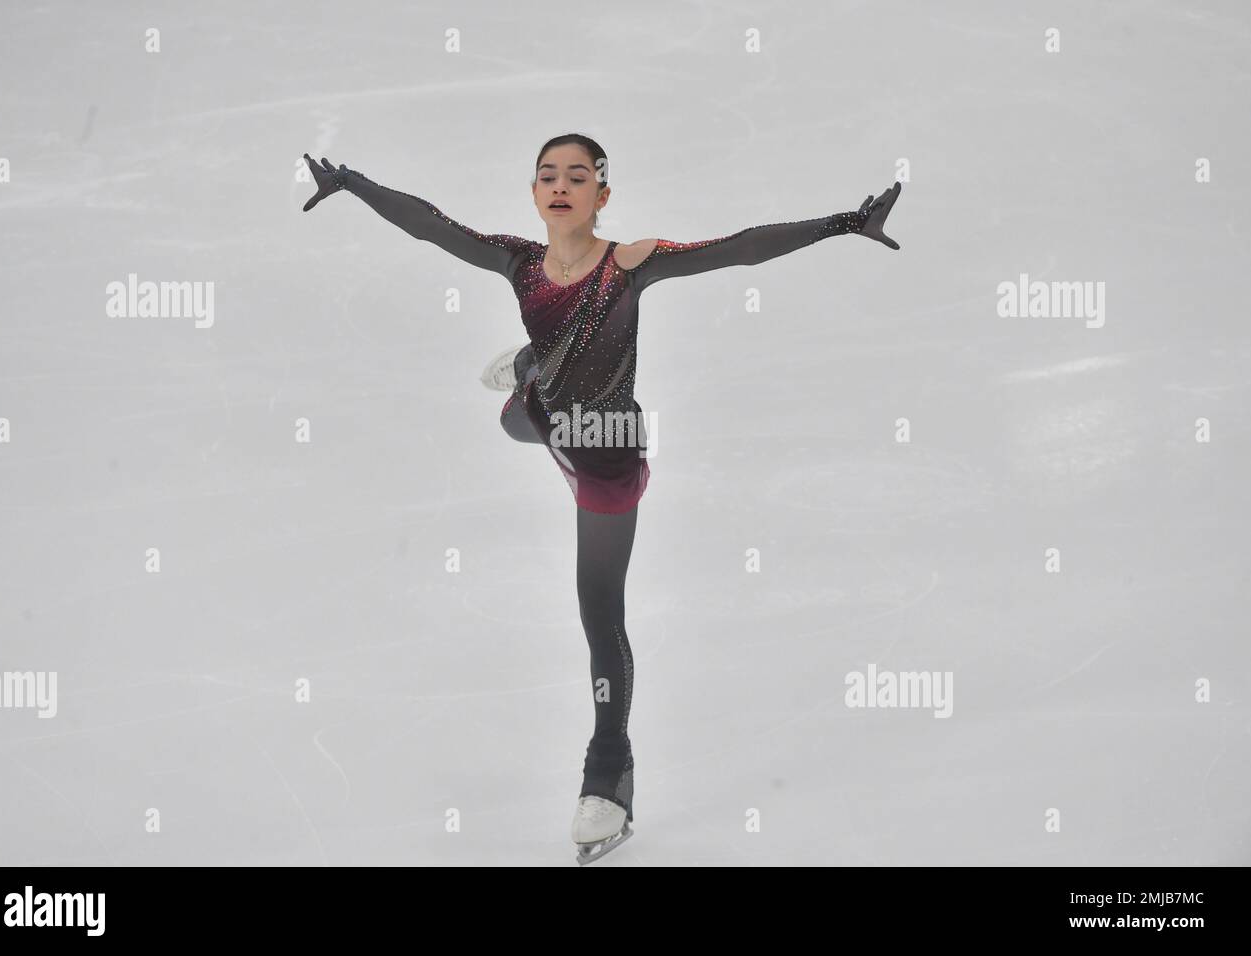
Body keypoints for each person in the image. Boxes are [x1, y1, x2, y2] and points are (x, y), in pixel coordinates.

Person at [301, 134, 901, 864]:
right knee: (517, 418)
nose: (561, 186)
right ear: (533, 193)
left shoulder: (630, 264)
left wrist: (845, 222)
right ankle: (528, 365)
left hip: (608, 454)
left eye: (577, 177)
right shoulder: (518, 261)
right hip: (545, 417)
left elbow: (740, 248)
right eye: (548, 175)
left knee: (599, 612)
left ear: (602, 196)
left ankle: (608, 773)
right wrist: (354, 182)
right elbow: (432, 225)